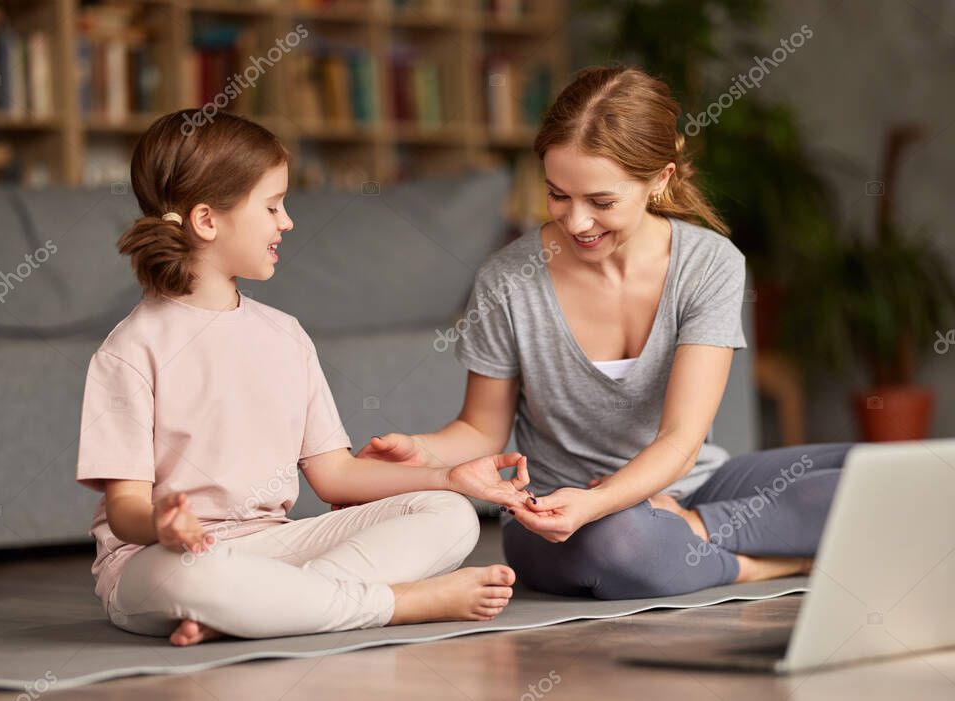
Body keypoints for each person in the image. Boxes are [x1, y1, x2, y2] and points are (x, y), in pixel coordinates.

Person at [356, 66, 855, 600]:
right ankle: (761, 565)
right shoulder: (506, 281)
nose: (576, 222)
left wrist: (654, 509)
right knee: (621, 542)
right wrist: (422, 450)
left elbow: (681, 441)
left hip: (689, 489)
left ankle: (693, 534)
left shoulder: (709, 264)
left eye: (601, 201)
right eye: (557, 195)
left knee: (877, 474)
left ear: (659, 179)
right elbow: (482, 430)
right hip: (561, 516)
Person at [75, 110, 531, 646]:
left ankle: (263, 609)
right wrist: (164, 525)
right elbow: (127, 513)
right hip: (164, 561)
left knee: (450, 515)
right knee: (199, 576)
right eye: (271, 206)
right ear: (206, 221)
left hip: (272, 546)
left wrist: (449, 479)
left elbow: (335, 475)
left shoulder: (285, 335)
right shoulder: (130, 350)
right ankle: (396, 605)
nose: (286, 222)